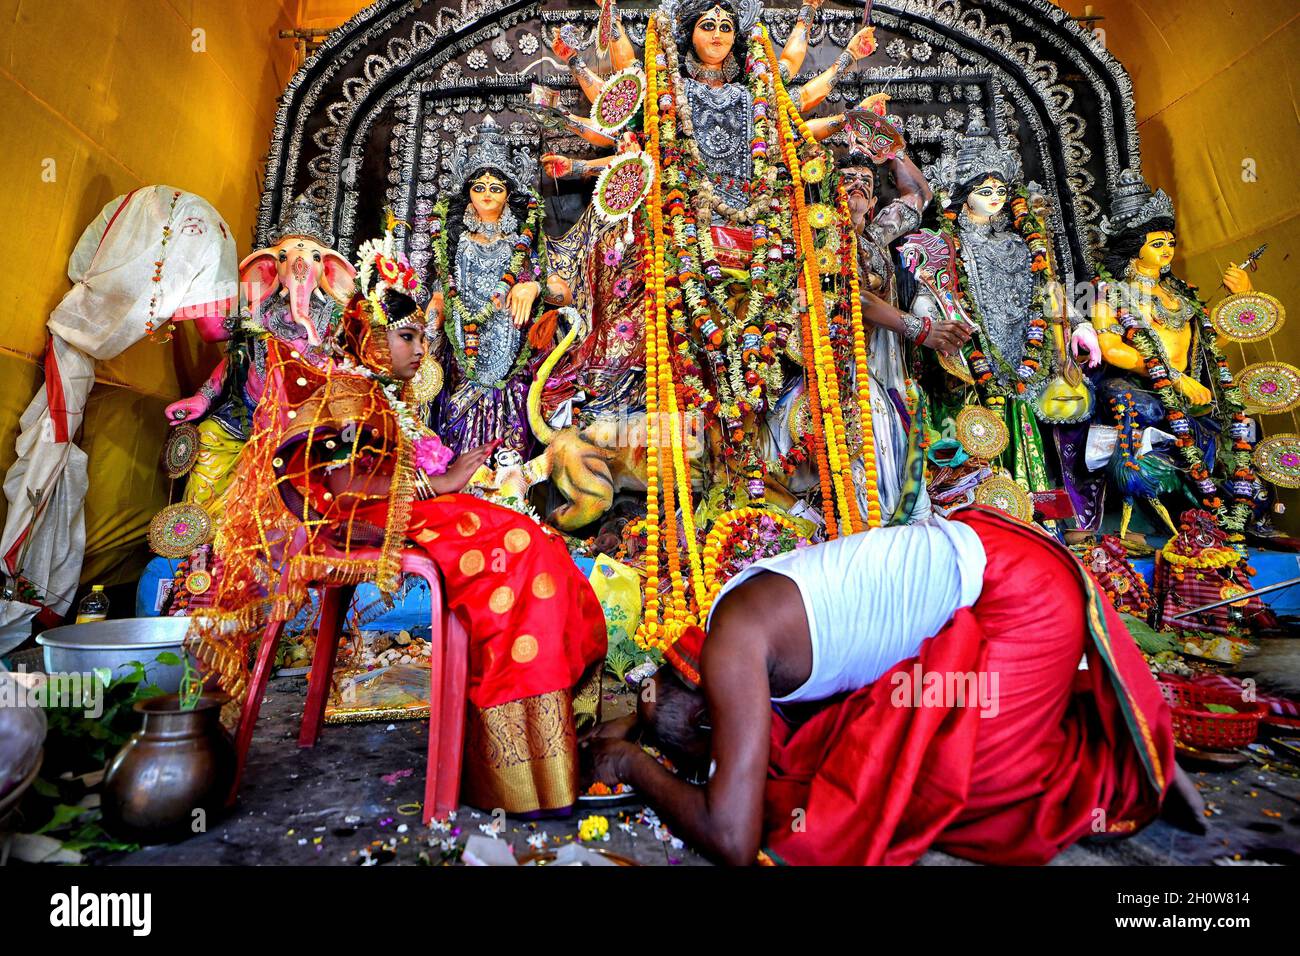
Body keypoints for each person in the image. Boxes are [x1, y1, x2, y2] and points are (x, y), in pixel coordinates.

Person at [191, 225, 607, 818]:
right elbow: (333, 484)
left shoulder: (375, 392)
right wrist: (437, 484)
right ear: (371, 337)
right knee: (518, 547)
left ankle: (541, 748)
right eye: (407, 337)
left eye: (420, 339)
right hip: (357, 526)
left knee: (533, 541)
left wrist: (450, 479)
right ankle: (518, 763)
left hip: (401, 516)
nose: (419, 351)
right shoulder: (342, 388)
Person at [584, 505, 1199, 865]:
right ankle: (1084, 720)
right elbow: (653, 695)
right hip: (989, 558)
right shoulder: (729, 624)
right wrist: (631, 720)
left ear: (709, 719)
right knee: (848, 735)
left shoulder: (731, 654)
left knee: (955, 790)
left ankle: (1124, 764)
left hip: (1020, 597)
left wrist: (635, 767)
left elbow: (732, 838)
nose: (721, 764)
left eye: (710, 756)